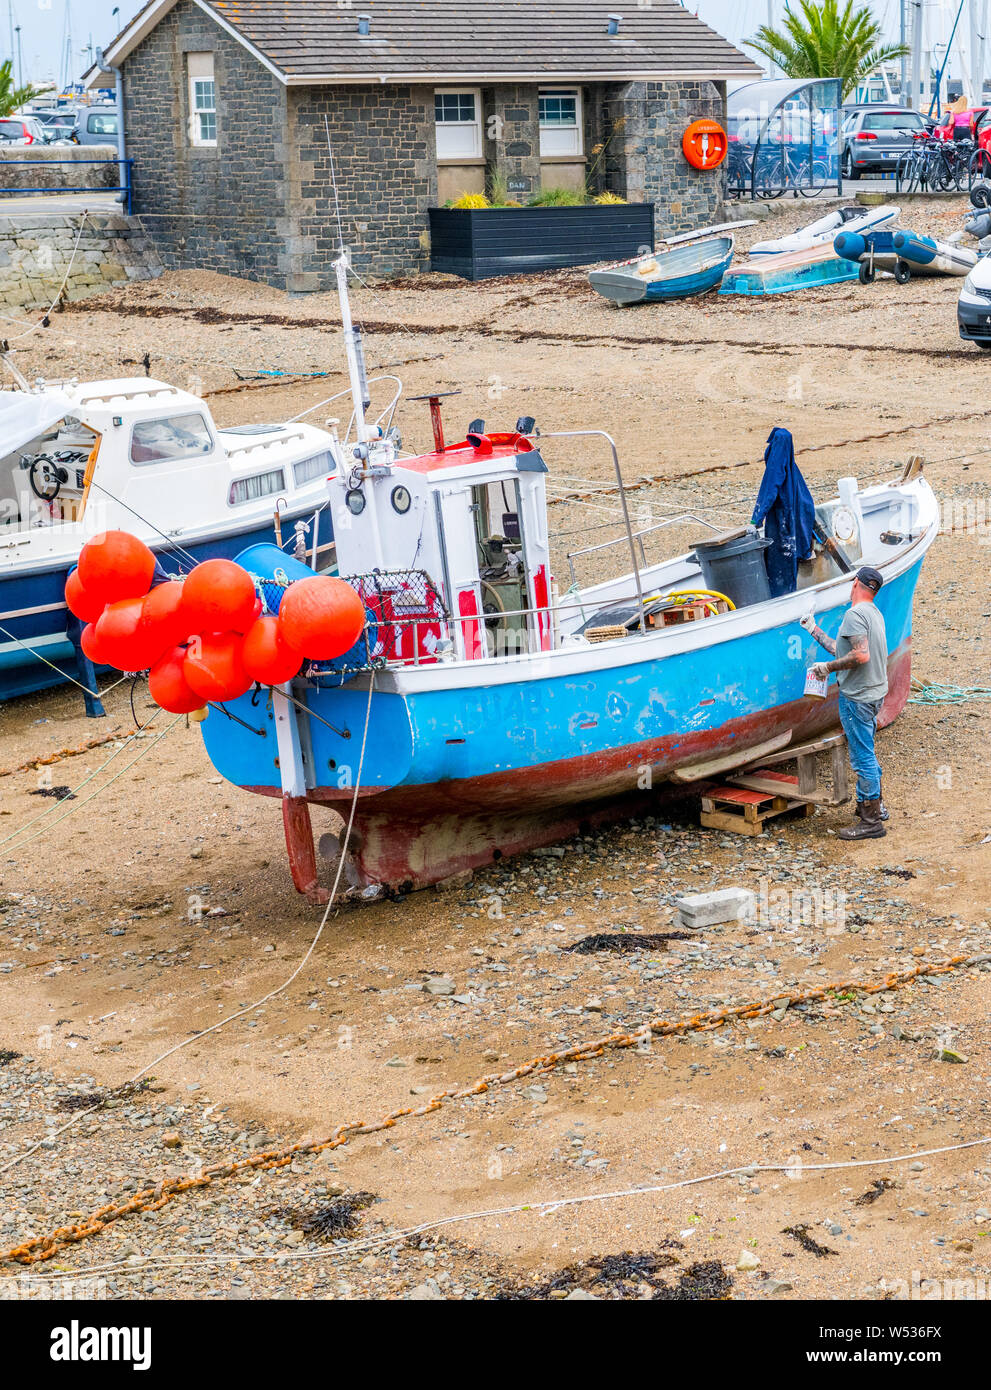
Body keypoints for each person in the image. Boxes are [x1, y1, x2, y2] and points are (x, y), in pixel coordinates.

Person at [801, 566, 889, 840]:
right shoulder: (873, 613)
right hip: (874, 694)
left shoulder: (854, 614)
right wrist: (813, 629)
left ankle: (871, 822)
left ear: (855, 583)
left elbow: (859, 656)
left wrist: (826, 668)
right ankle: (878, 807)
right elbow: (846, 649)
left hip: (858, 697)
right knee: (868, 750)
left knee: (862, 757)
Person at [751, 427, 815, 598]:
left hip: (783, 522)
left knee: (781, 562)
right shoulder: (792, 467)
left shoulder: (776, 466)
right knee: (790, 561)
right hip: (794, 521)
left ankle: (782, 600)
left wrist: (755, 520)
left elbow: (769, 489)